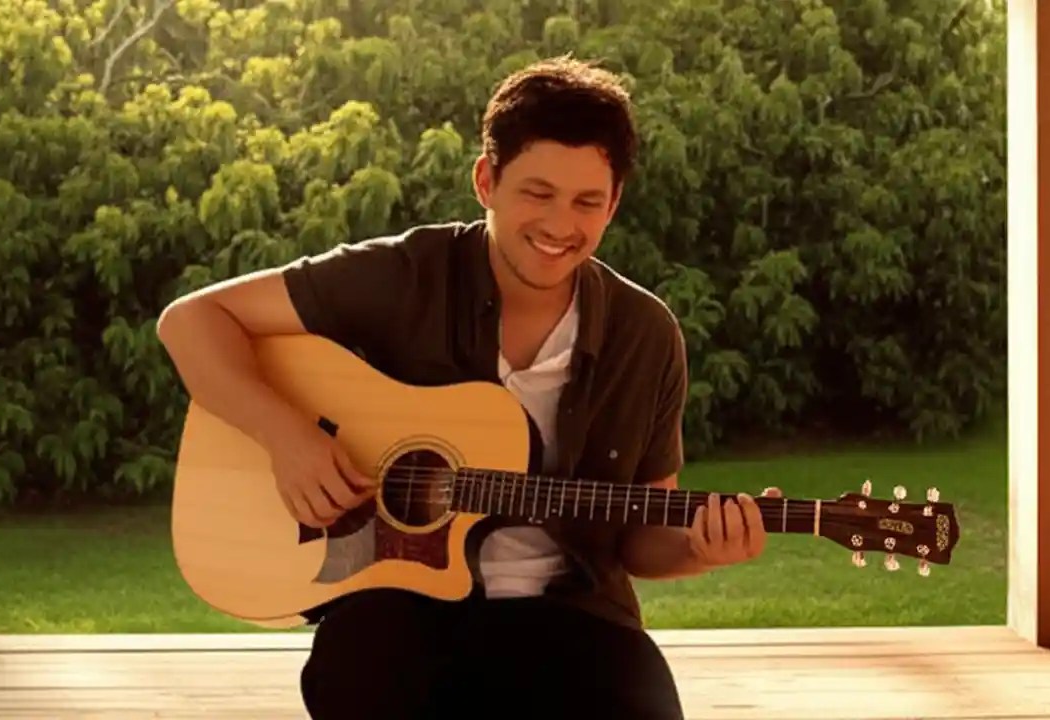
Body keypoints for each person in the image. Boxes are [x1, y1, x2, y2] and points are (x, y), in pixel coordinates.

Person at [157, 55, 780, 720]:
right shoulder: (406, 274)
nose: (560, 226)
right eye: (537, 194)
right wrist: (287, 437)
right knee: (362, 672)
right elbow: (192, 321)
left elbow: (639, 536)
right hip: (402, 608)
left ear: (615, 202)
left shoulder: (645, 334)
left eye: (587, 202)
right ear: (487, 180)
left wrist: (700, 549)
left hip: (571, 614)